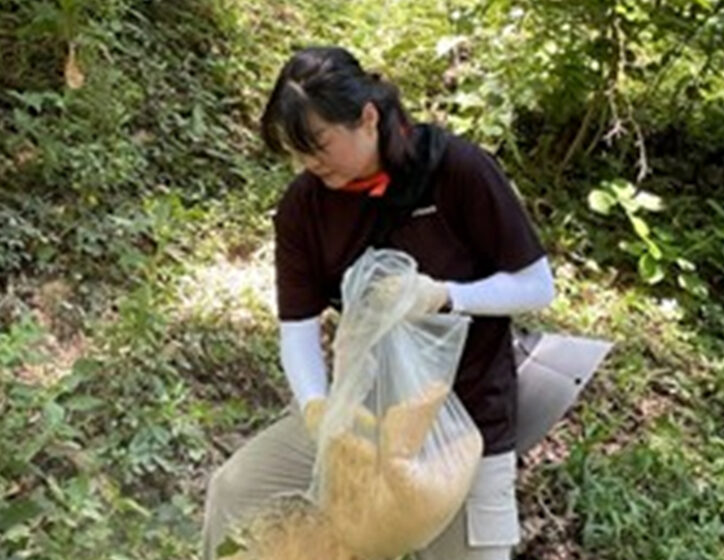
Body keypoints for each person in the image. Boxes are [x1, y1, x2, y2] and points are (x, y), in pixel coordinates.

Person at [201, 45, 556, 560]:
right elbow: (297, 328)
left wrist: (442, 296)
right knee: (237, 491)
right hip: (362, 417)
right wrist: (319, 411)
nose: (307, 163)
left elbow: (536, 285)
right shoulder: (306, 207)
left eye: (317, 144)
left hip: (465, 423)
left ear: (367, 118)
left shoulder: (457, 170)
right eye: (296, 153)